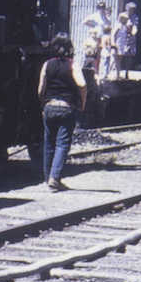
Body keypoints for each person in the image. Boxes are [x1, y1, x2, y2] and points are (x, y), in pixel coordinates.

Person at [38, 33, 86, 191]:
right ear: (69, 48)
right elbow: (82, 84)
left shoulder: (47, 64)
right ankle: (55, 177)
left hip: (50, 106)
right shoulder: (73, 64)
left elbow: (40, 89)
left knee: (49, 144)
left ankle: (48, 179)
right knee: (62, 144)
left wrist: (43, 106)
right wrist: (82, 102)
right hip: (66, 107)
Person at [113, 2, 137, 73]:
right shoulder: (122, 15)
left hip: (130, 37)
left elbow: (135, 27)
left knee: (128, 56)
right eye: (128, 8)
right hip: (121, 36)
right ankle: (118, 71)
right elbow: (118, 24)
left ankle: (127, 71)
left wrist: (132, 33)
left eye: (131, 9)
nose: (129, 10)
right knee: (119, 55)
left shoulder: (135, 17)